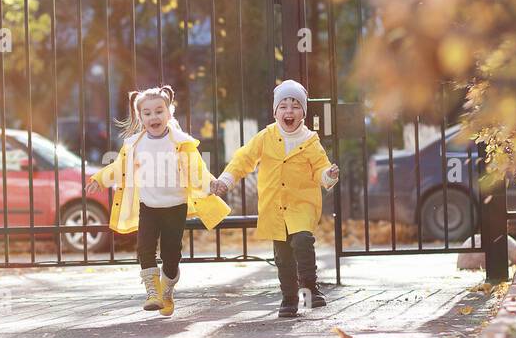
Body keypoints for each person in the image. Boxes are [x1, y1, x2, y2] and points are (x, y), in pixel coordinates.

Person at [87, 86, 230, 315]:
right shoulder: (134, 144)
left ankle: (167, 290)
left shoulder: (180, 143)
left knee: (171, 255)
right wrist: (100, 179)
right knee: (144, 248)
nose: (154, 117)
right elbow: (119, 167)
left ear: (168, 112)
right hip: (148, 207)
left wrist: (210, 183)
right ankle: (153, 293)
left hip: (175, 207)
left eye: (159, 111)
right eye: (147, 113)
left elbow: (196, 169)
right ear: (140, 117)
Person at [209, 80, 339, 318]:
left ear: (303, 112)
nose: (289, 111)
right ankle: (289, 298)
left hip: (302, 203)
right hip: (275, 206)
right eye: (284, 106)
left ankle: (310, 287)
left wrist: (327, 175)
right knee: (282, 255)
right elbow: (243, 159)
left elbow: (321, 168)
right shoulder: (266, 136)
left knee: (302, 241)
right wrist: (225, 181)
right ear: (275, 111)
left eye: (295, 106)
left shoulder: (311, 140)